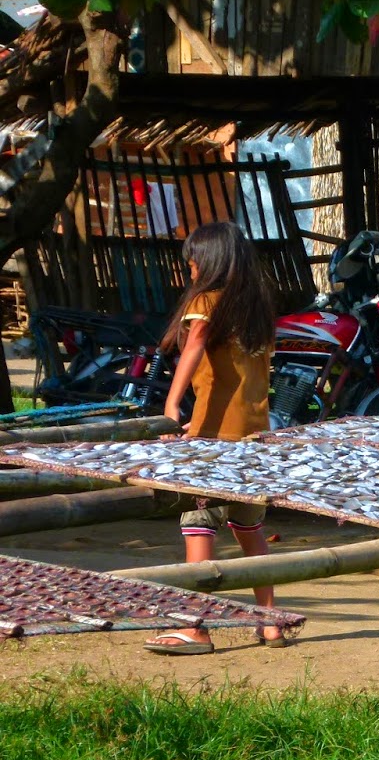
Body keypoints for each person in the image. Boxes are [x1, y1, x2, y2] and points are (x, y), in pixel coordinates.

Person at [144, 222, 288, 655]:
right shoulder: (257, 311)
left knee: (197, 522)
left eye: (191, 264)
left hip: (214, 438)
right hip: (255, 436)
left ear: (206, 262)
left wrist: (171, 407)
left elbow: (193, 347)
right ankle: (269, 623)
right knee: (249, 528)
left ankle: (194, 626)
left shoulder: (207, 302)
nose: (188, 272)